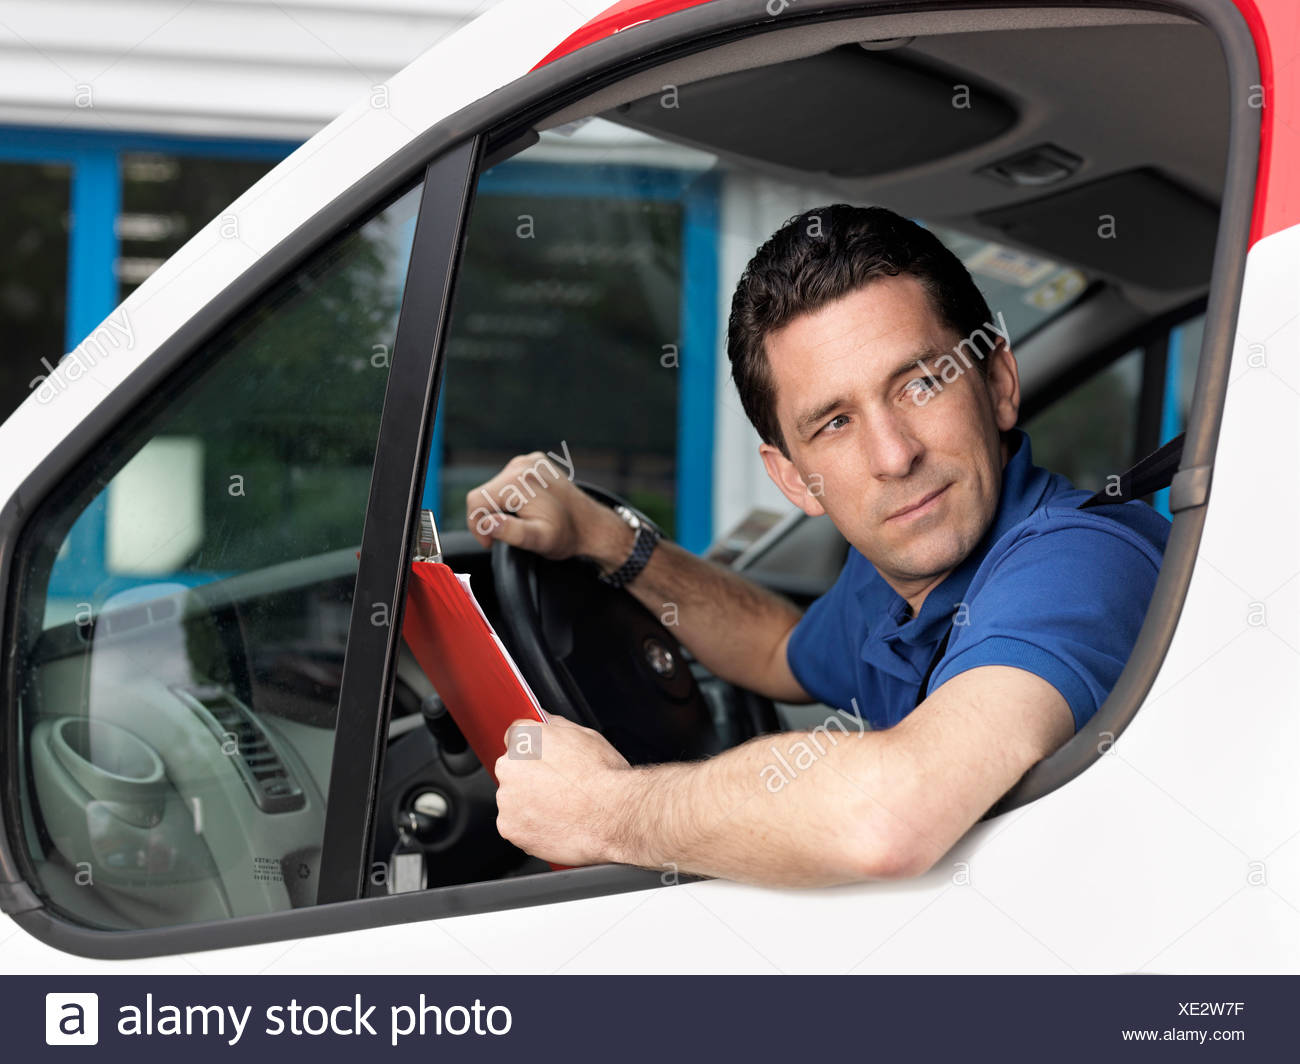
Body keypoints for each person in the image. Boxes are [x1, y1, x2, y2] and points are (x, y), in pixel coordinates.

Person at [468, 204, 1170, 887]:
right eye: (834, 423)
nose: (894, 455)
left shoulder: (1082, 564)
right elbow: (778, 651)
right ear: (793, 479)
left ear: (998, 384)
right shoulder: (890, 577)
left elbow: (890, 815)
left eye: (921, 384)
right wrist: (603, 536)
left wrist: (604, 810)